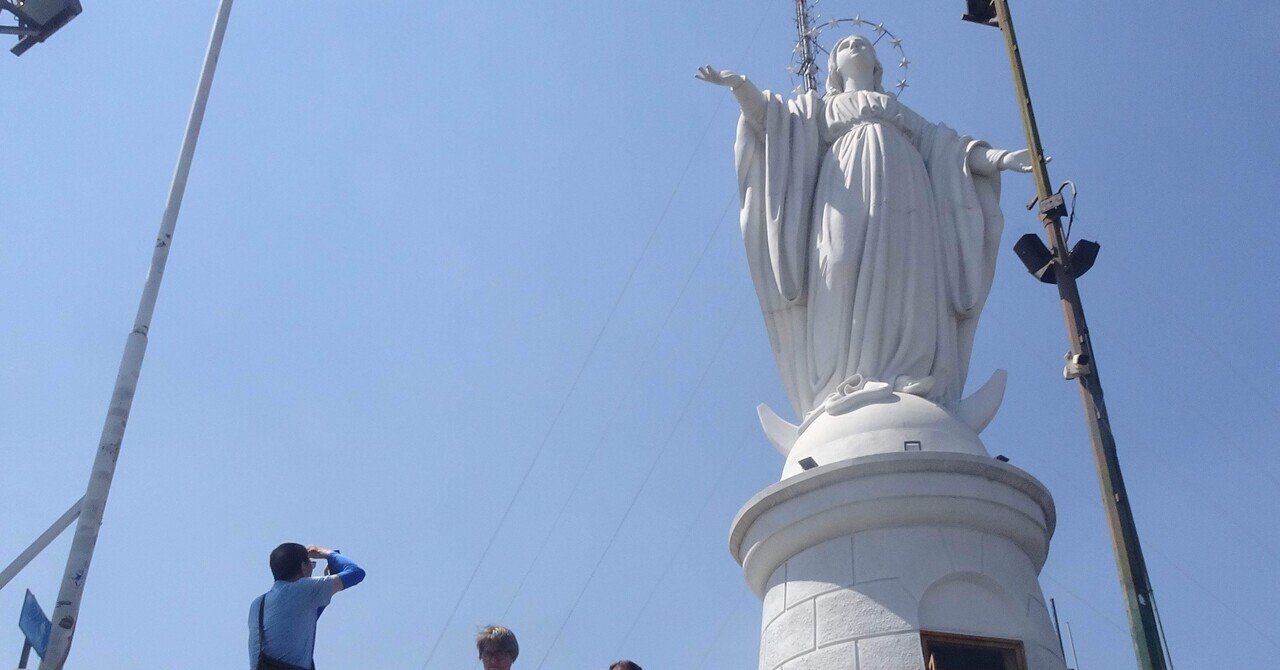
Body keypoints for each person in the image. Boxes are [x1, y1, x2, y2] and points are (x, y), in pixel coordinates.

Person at [697, 33, 1032, 419]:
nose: (854, 46)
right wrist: (739, 85)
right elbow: (773, 123)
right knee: (837, 264)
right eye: (843, 46)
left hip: (906, 188)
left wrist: (1001, 158)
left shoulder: (896, 109)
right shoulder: (820, 108)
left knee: (906, 272)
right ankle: (844, 376)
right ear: (834, 67)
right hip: (843, 183)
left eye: (862, 44)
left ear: (877, 65)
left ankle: (908, 372)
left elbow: (948, 149)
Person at [248, 543, 365, 669]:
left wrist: (324, 591)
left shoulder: (258, 604)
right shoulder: (303, 589)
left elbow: (302, 622)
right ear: (303, 567)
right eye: (311, 564)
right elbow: (356, 573)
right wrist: (326, 553)